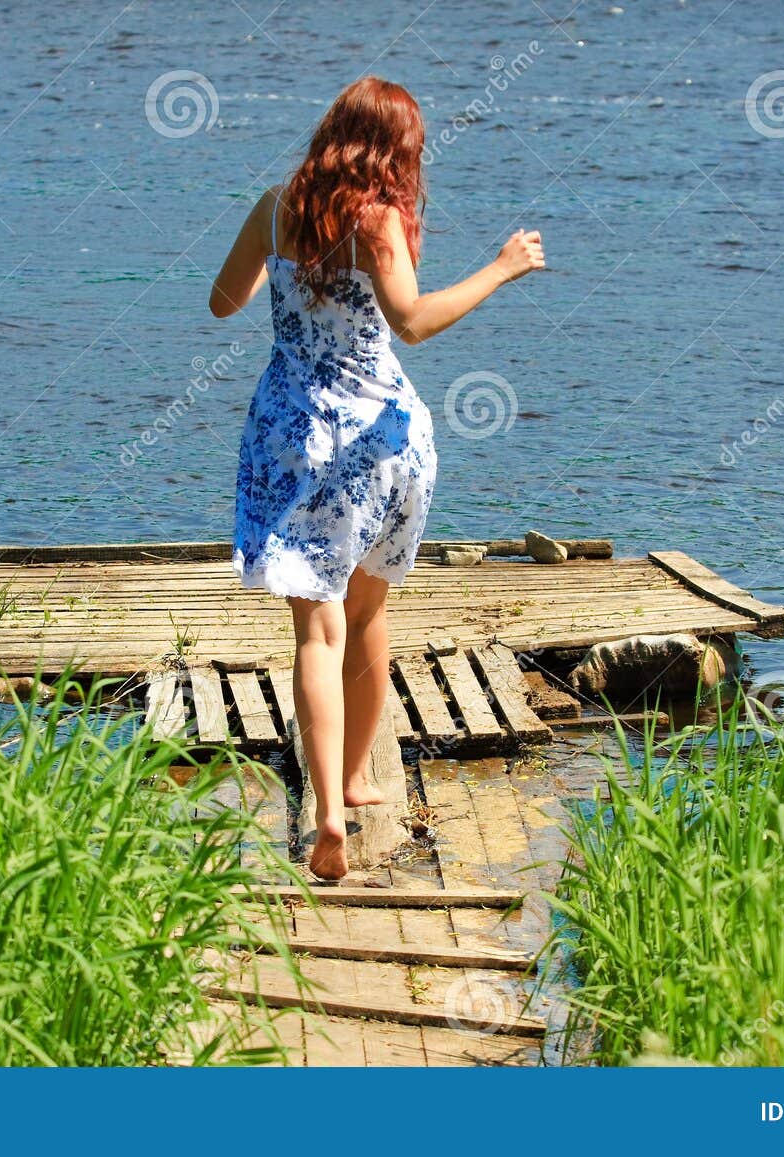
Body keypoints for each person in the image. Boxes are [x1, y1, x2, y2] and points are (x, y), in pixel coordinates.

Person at [209, 76, 545, 879]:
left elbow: (223, 303)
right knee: (367, 614)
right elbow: (414, 323)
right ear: (394, 151)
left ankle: (327, 812)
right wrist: (501, 267)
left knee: (314, 632)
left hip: (297, 440)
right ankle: (359, 779)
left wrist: (274, 269)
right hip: (384, 442)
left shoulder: (273, 206)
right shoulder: (380, 221)